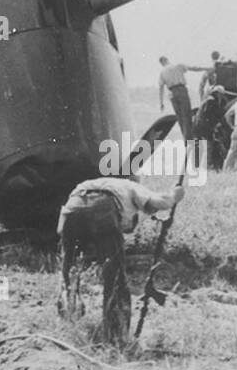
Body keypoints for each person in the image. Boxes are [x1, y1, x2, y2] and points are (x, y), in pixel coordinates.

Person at [57, 176, 185, 343]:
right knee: (115, 279)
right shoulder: (131, 186)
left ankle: (68, 328)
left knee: (69, 273)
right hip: (102, 210)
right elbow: (159, 202)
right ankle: (117, 338)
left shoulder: (87, 183)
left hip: (71, 210)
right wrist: (175, 195)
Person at [158, 56, 209, 141]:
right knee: (187, 115)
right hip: (181, 90)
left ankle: (185, 138)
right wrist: (206, 68)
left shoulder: (162, 72)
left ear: (161, 63)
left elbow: (161, 88)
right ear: (167, 60)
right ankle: (190, 138)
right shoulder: (178, 66)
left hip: (172, 93)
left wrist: (161, 103)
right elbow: (194, 68)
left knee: (180, 117)